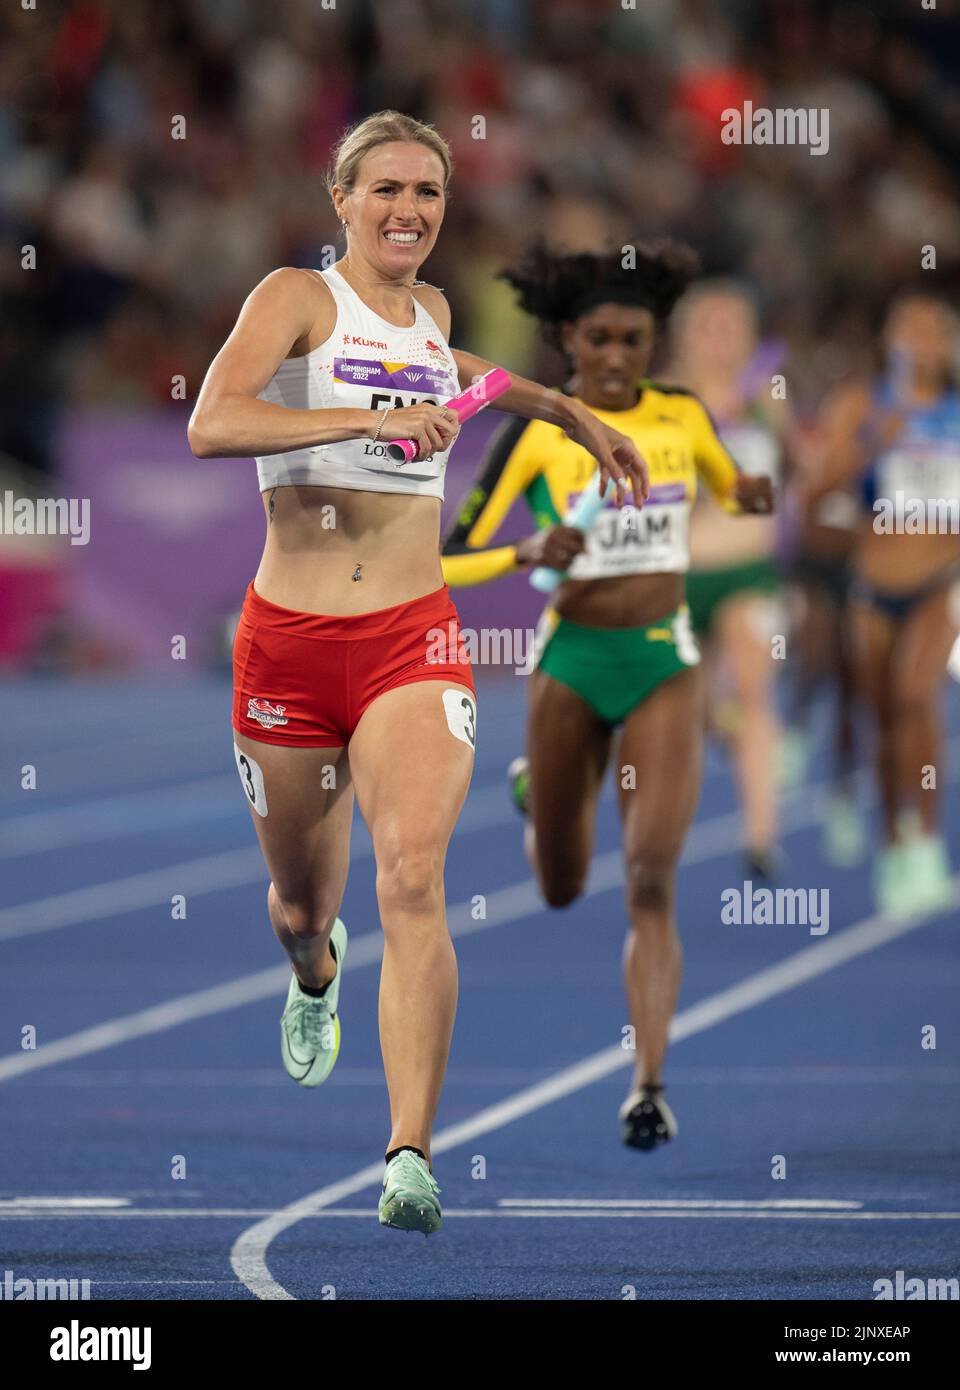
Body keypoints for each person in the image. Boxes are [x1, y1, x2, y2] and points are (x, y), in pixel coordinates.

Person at [187, 112, 646, 1234]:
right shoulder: (292, 300)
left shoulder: (433, 315)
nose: (408, 210)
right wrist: (372, 422)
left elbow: (464, 376)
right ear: (341, 199)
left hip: (410, 638)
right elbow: (211, 422)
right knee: (307, 904)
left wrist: (568, 412)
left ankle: (408, 1153)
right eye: (386, 188)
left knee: (413, 877)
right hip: (289, 644)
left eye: (428, 194)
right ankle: (312, 971)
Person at [441, 244, 773, 1150]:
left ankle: (649, 1086)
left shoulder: (681, 413)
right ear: (564, 341)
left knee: (653, 878)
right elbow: (440, 557)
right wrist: (525, 553)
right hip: (573, 659)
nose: (619, 356)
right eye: (600, 340)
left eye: (635, 339)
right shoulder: (538, 435)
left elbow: (723, 488)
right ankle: (535, 794)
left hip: (663, 657)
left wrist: (747, 494)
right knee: (559, 885)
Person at [806, 291, 960, 914]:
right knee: (881, 718)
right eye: (908, 330)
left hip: (942, 582)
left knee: (914, 696)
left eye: (933, 331)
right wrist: (873, 440)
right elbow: (813, 495)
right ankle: (893, 842)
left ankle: (925, 842)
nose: (919, 342)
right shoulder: (859, 407)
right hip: (873, 583)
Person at [670, 281, 789, 878]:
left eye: (733, 329)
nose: (722, 342)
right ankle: (722, 725)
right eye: (710, 329)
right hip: (684, 572)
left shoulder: (769, 398)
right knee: (693, 712)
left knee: (754, 689)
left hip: (749, 570)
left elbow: (802, 466)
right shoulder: (669, 400)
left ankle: (761, 837)